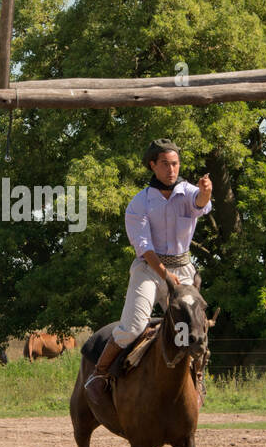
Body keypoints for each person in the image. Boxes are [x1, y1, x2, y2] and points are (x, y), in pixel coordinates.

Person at [84, 139, 212, 406]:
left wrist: (206, 192)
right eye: (165, 164)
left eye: (175, 163)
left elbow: (200, 204)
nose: (171, 169)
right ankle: (99, 373)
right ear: (152, 165)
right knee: (133, 326)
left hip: (183, 268)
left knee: (194, 326)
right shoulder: (139, 203)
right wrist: (165, 274)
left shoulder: (189, 191)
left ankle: (197, 377)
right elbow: (144, 248)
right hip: (149, 269)